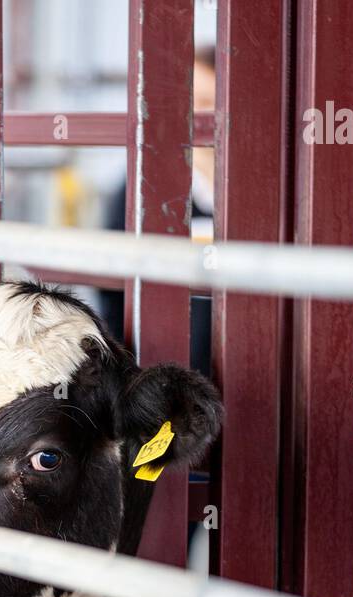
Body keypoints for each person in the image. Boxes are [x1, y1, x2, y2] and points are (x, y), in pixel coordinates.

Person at [99, 45, 216, 369]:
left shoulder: (262, 197)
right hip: (164, 381)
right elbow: (110, 291)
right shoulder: (141, 192)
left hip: (255, 382)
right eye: (195, 105)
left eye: (212, 105)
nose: (202, 119)